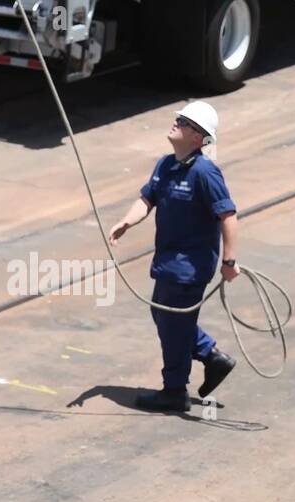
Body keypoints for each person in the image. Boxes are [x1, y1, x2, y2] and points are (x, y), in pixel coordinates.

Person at [108, 101, 240, 412]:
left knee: (172, 326)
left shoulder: (205, 172)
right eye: (178, 119)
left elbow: (229, 217)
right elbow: (146, 198)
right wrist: (126, 221)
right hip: (167, 261)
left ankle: (175, 391)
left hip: (189, 267)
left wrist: (229, 262)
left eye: (183, 122)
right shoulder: (165, 165)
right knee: (165, 318)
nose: (176, 123)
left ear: (198, 137)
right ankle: (210, 355)